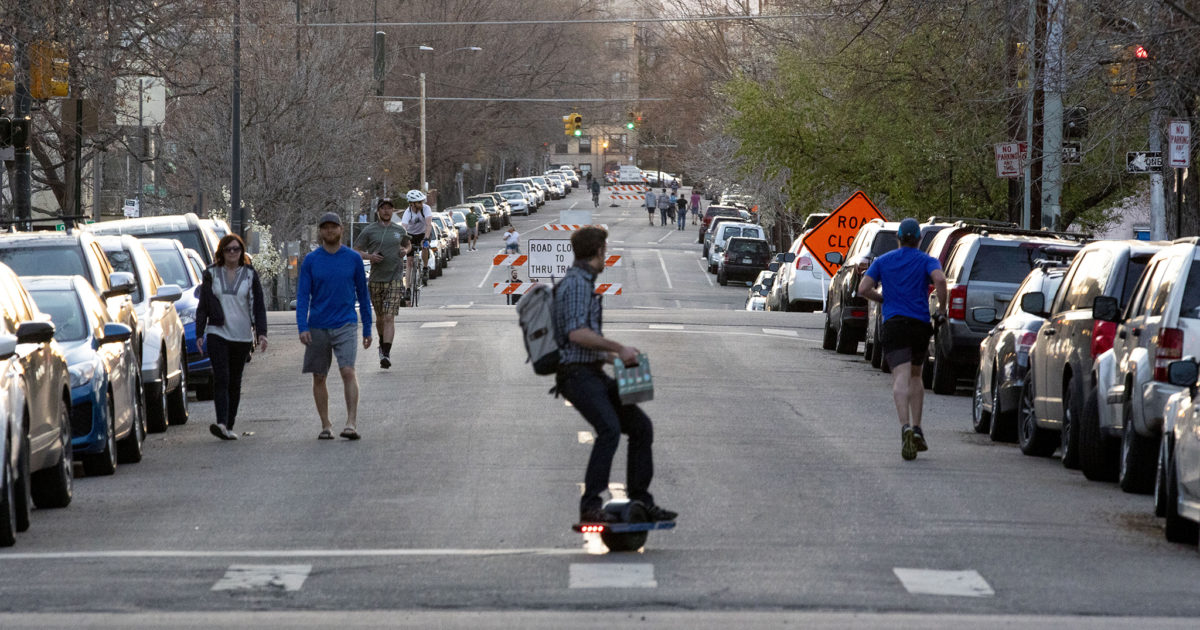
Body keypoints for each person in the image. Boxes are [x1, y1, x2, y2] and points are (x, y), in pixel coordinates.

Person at [553, 226, 677, 524]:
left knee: (640, 427)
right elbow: (576, 334)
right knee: (609, 429)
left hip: (590, 371)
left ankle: (641, 501)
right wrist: (619, 348)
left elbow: (583, 341)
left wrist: (615, 357)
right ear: (598, 251)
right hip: (576, 376)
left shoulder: (583, 282)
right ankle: (591, 506)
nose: (606, 255)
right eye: (605, 250)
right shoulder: (577, 284)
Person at [857, 218, 948, 461]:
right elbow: (939, 280)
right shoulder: (927, 260)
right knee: (916, 376)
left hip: (894, 325)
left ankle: (905, 426)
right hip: (919, 325)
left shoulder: (883, 261)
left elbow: (863, 288)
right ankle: (917, 427)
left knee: (900, 376)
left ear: (898, 238)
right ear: (919, 239)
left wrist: (883, 300)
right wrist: (941, 309)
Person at [297, 210, 373, 441]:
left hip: (346, 323)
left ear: (341, 229)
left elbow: (363, 293)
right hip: (318, 325)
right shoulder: (311, 260)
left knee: (348, 371)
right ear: (320, 232)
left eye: (334, 226)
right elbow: (303, 296)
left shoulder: (353, 259)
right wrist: (303, 326)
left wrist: (368, 327)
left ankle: (351, 422)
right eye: (325, 227)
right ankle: (326, 424)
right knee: (319, 376)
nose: (330, 231)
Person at [196, 233, 268, 441]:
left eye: (237, 249)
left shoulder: (249, 274)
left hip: (242, 336)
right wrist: (200, 333)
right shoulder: (211, 273)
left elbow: (259, 305)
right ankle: (220, 422)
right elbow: (203, 307)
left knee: (235, 381)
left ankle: (229, 424)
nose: (233, 253)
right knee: (222, 377)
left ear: (241, 252)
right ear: (222, 252)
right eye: (229, 249)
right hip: (218, 332)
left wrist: (261, 333)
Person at [352, 198, 410, 369]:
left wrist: (404, 251)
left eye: (389, 208)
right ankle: (382, 343)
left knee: (389, 317)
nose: (386, 211)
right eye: (383, 208)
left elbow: (408, 245)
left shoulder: (399, 230)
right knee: (380, 318)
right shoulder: (370, 230)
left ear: (393, 211)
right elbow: (355, 251)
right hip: (376, 280)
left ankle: (386, 352)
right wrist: (370, 257)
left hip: (395, 278)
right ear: (378, 211)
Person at [400, 189, 434, 287]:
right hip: (411, 235)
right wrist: (403, 242)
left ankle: (425, 268)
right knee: (409, 261)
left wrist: (426, 238)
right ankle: (407, 288)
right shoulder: (407, 213)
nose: (421, 203)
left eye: (422, 201)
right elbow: (403, 229)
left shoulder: (426, 208)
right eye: (419, 202)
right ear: (412, 204)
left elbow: (428, 225)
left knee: (425, 245)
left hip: (423, 233)